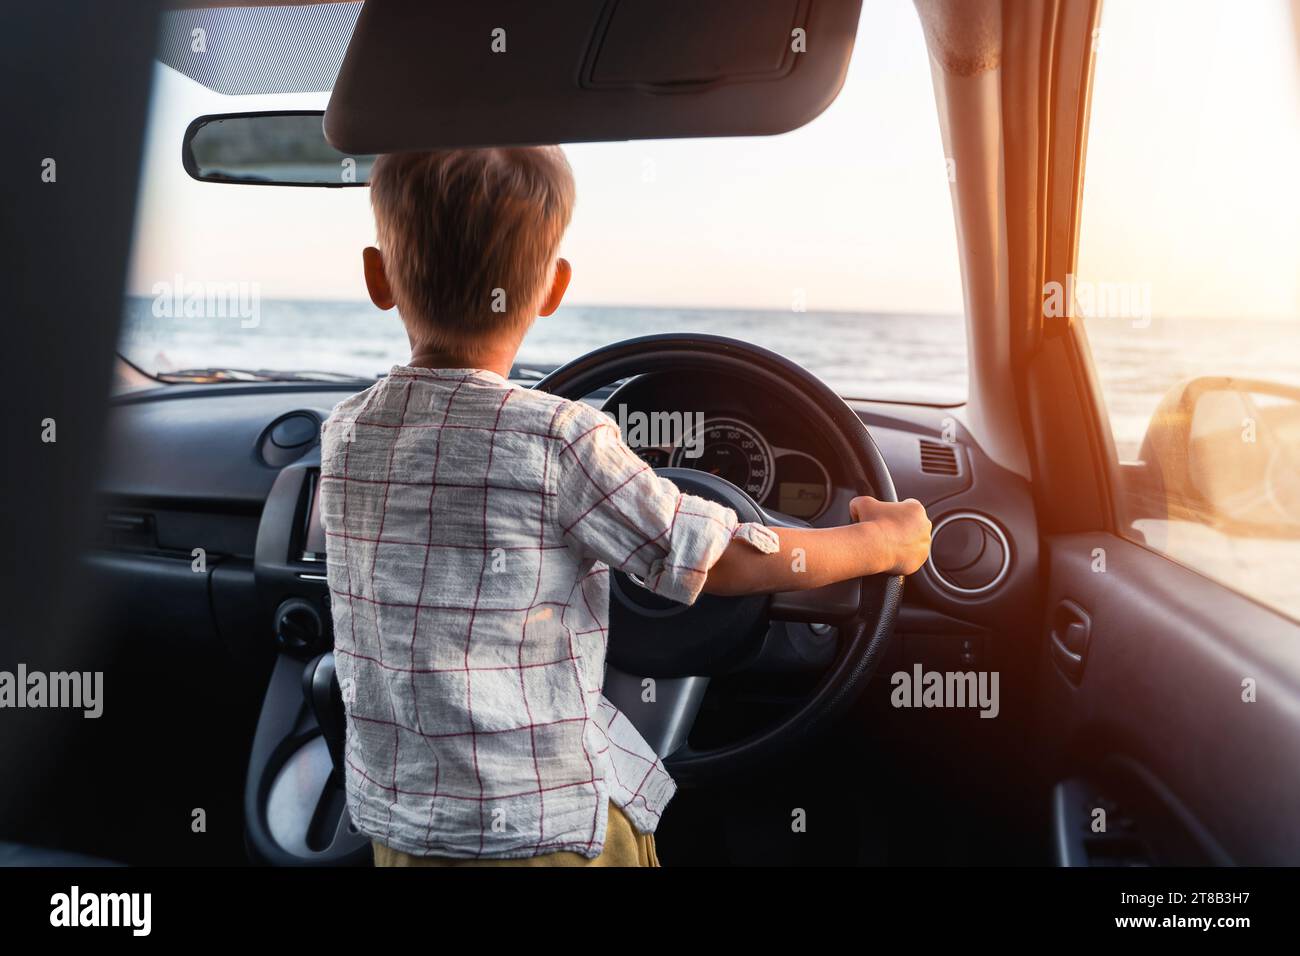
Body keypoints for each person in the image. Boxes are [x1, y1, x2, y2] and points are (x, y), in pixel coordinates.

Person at [319, 146, 932, 867]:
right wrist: (880, 549)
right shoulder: (559, 438)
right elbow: (714, 556)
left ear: (377, 277)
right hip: (539, 831)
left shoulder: (347, 432)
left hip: (402, 825)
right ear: (553, 288)